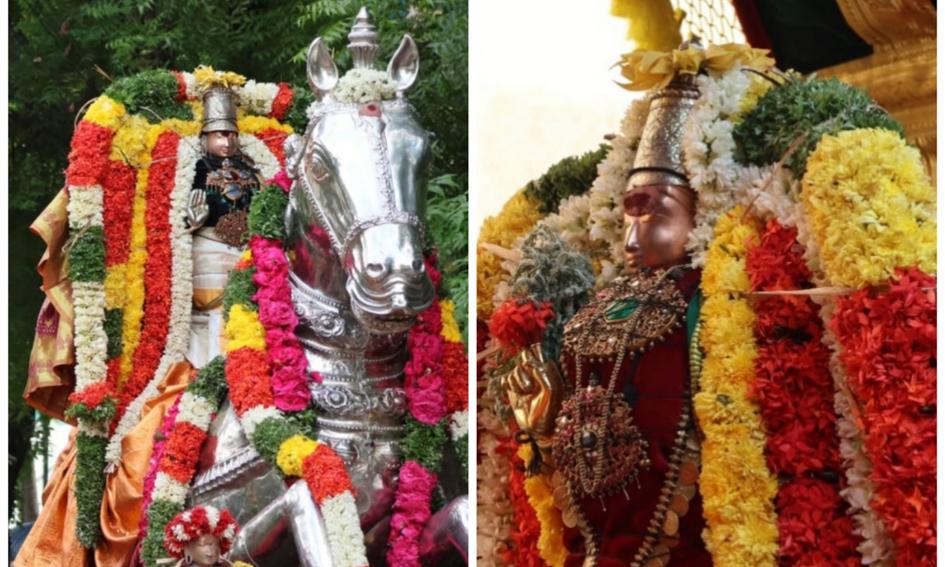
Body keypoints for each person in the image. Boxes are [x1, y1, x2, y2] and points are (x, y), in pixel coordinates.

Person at [15, 83, 258, 567]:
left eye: (232, 134)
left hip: (252, 341)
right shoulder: (171, 214)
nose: (227, 143)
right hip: (180, 347)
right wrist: (187, 226)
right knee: (136, 449)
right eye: (218, 135)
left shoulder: (257, 185)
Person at [505, 74, 712, 566]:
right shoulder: (600, 303)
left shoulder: (710, 300)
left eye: (656, 216)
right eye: (628, 218)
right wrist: (541, 426)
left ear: (700, 216)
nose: (633, 240)